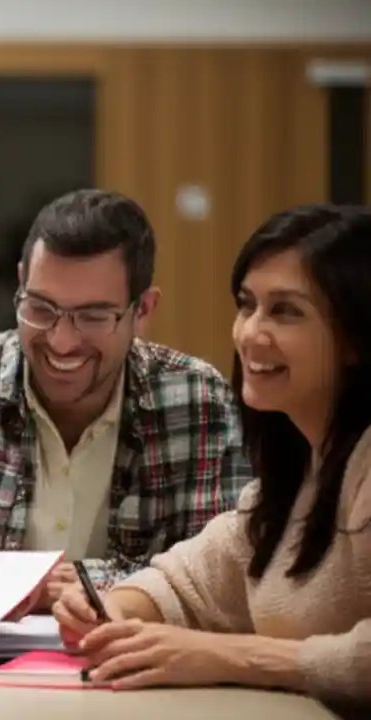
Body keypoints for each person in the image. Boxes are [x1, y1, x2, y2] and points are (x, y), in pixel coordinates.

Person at [0, 189, 252, 608]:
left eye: (92, 317)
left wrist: (65, 583)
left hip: (130, 661)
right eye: (40, 309)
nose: (61, 342)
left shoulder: (197, 398)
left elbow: (220, 576)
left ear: (143, 311)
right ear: (21, 284)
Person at [53, 205, 371, 708]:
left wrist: (227, 656)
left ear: (357, 338)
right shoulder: (295, 475)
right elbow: (189, 582)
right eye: (248, 305)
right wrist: (113, 608)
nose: (250, 334)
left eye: (286, 311)